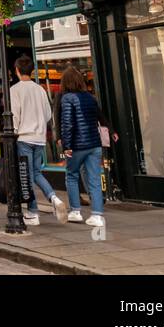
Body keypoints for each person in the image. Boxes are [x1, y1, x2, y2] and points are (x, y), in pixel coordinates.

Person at [9, 55, 64, 225]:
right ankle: (54, 198)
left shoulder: (15, 90)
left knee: (26, 176)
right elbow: (48, 114)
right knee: (36, 173)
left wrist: (14, 132)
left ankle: (33, 213)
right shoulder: (40, 89)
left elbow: (14, 115)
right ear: (31, 71)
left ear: (17, 71)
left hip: (24, 138)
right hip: (39, 139)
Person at [58, 65, 106, 228]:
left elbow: (67, 124)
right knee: (94, 180)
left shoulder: (67, 98)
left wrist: (66, 145)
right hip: (94, 144)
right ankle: (97, 215)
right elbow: (99, 118)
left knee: (71, 175)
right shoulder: (90, 97)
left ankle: (75, 211)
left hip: (78, 145)